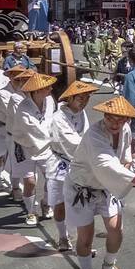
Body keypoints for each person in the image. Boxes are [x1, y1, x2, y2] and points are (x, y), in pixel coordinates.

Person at [67, 96, 135, 269]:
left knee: (116, 228)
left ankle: (109, 265)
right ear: (104, 116)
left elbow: (124, 158)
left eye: (120, 119)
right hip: (82, 186)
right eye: (110, 118)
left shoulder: (125, 129)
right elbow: (104, 163)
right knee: (86, 234)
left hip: (107, 186)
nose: (115, 123)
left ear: (127, 119)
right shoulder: (94, 134)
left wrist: (125, 176)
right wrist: (131, 179)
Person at [50, 80, 96, 251]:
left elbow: (87, 135)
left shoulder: (82, 113)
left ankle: (82, 242)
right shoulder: (58, 117)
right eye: (80, 98)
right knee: (60, 202)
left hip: (79, 162)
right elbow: (72, 142)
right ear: (70, 98)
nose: (84, 101)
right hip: (61, 161)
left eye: (87, 98)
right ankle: (62, 236)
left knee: (81, 203)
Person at [8, 73, 59, 226]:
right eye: (46, 87)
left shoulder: (50, 100)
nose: (50, 89)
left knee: (52, 179)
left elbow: (53, 121)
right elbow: (37, 132)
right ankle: (31, 211)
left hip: (46, 146)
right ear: (36, 90)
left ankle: (45, 202)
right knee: (30, 181)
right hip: (25, 146)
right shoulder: (23, 107)